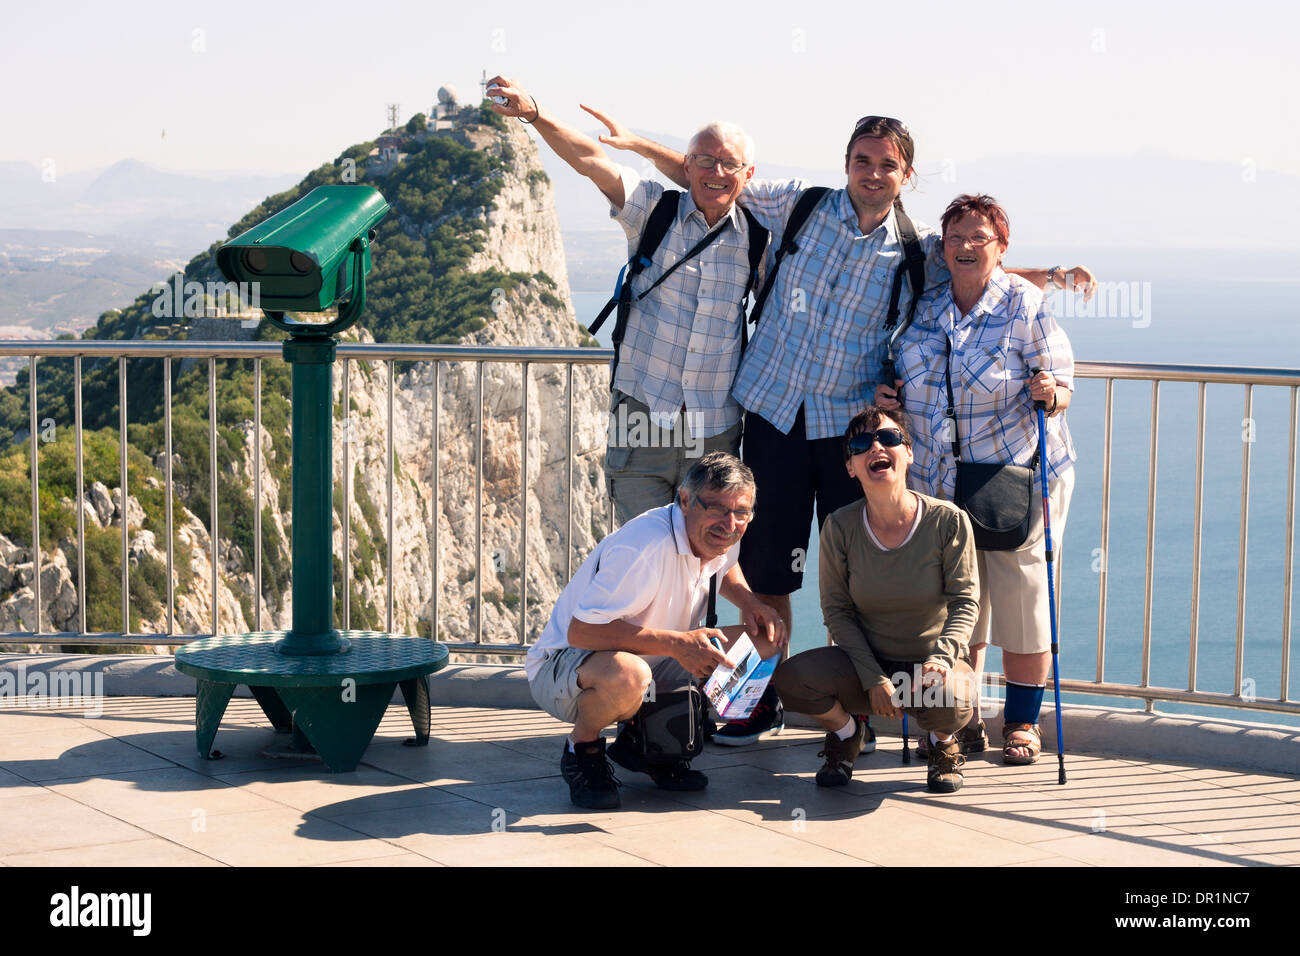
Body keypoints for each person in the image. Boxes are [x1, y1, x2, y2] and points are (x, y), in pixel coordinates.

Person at [590, 110, 1095, 748]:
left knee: (852, 577)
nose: (874, 174)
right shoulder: (800, 205)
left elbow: (976, 268)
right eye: (864, 161)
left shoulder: (915, 248)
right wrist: (637, 144)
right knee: (767, 574)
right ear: (847, 164)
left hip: (846, 436)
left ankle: (850, 708)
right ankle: (748, 702)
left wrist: (1051, 277)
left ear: (906, 175)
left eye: (888, 165)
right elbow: (713, 181)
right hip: (772, 417)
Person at [487, 77, 768, 527]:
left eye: (729, 164)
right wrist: (534, 113)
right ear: (687, 165)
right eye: (704, 161)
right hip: (641, 418)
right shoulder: (652, 210)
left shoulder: (760, 237)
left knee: (705, 562)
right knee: (643, 558)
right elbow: (589, 159)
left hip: (714, 426)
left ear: (747, 174)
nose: (716, 173)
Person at [877, 193, 1076, 766]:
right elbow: (902, 367)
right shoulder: (927, 304)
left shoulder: (1025, 304)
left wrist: (1052, 394)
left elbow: (1061, 378)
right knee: (961, 604)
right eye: (956, 237)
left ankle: (1022, 722)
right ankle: (962, 719)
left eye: (979, 237)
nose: (966, 246)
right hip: (940, 482)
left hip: (1014, 476)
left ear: (1001, 247)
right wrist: (889, 396)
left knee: (1021, 596)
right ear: (943, 247)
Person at [525, 452, 787, 809]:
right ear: (684, 500)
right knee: (630, 676)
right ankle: (581, 752)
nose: (729, 523)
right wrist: (677, 643)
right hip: (566, 664)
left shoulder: (724, 531)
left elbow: (725, 564)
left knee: (764, 640)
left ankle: (650, 743)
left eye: (741, 512)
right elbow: (581, 632)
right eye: (716, 508)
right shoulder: (645, 547)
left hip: (650, 650)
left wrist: (752, 603)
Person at [771, 405, 978, 792]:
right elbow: (836, 610)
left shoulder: (947, 520)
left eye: (888, 438)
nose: (876, 448)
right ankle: (849, 734)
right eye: (861, 444)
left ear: (909, 452)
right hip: (865, 666)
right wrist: (873, 677)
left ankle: (942, 744)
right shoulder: (840, 526)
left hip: (930, 666)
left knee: (954, 698)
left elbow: (966, 601)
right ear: (850, 467)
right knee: (790, 679)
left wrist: (942, 656)